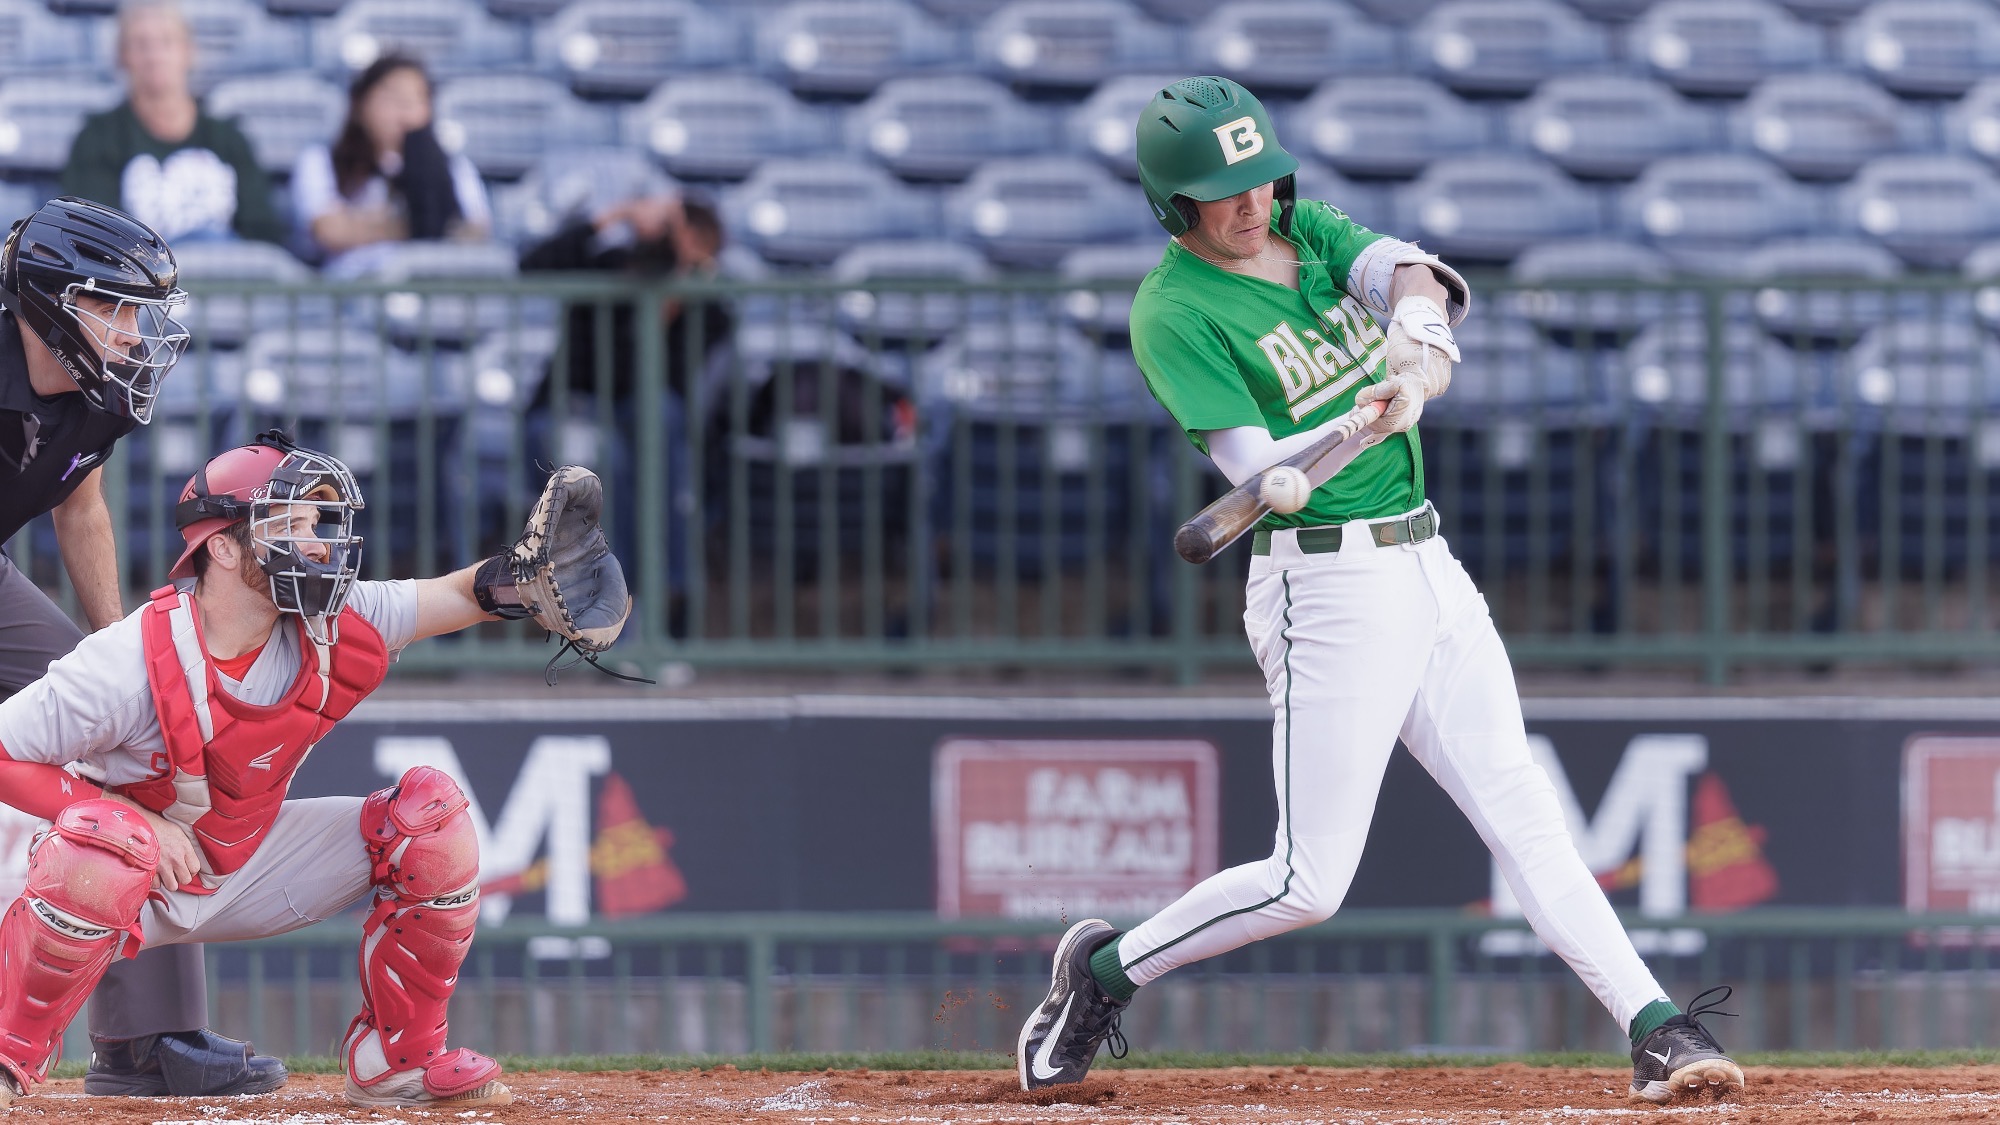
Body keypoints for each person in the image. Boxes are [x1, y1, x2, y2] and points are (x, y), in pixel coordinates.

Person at [1012, 76, 1747, 1107]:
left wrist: (1418, 333)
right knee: (1305, 883)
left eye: (1260, 180)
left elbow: (1411, 271)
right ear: (1172, 205)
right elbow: (1261, 475)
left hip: (1425, 560)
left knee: (1524, 812)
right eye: (1222, 194)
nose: (1252, 205)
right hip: (1325, 584)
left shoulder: (1304, 230)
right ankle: (1102, 970)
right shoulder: (1171, 311)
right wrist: (1362, 418)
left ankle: (1655, 1026)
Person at [0, 432, 630, 1109]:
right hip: (67, 880)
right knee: (108, 844)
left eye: (315, 524)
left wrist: (521, 582)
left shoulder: (333, 620)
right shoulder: (128, 659)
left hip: (227, 862)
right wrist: (133, 816)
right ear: (222, 546)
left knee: (429, 823)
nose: (318, 545)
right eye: (289, 525)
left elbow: (454, 594)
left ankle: (395, 1063)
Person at [0, 195, 283, 1097]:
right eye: (114, 306)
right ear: (51, 305)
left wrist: (119, 657)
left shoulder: (95, 387)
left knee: (131, 726)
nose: (133, 330)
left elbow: (79, 506)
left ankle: (144, 1038)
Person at [60, 0, 283, 245]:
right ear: (121, 56)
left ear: (189, 52)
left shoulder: (229, 139)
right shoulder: (98, 138)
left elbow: (262, 235)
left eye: (166, 42)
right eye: (141, 44)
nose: (155, 56)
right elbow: (94, 236)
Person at [289, 53, 490, 272]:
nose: (405, 112)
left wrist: (369, 223)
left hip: (432, 278)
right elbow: (329, 231)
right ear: (360, 103)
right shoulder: (321, 159)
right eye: (393, 99)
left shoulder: (452, 165)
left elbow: (474, 230)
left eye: (416, 100)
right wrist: (420, 224)